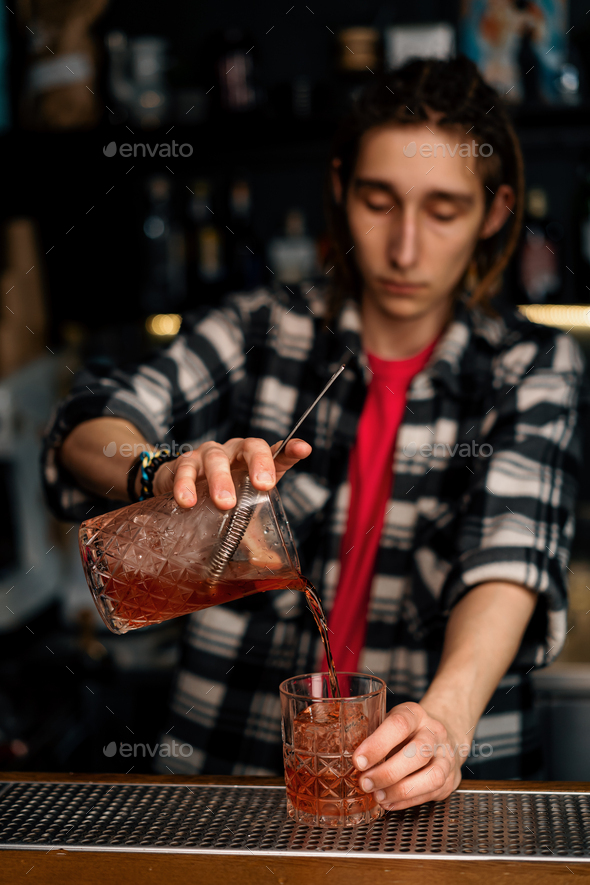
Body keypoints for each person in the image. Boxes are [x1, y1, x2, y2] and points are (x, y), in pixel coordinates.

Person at [43, 56, 585, 810]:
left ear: (494, 213)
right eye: (378, 200)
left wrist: (447, 723)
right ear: (339, 188)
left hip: (433, 798)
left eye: (443, 210)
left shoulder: (532, 364)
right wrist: (159, 470)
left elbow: (513, 549)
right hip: (228, 784)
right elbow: (86, 426)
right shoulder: (262, 328)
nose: (404, 248)